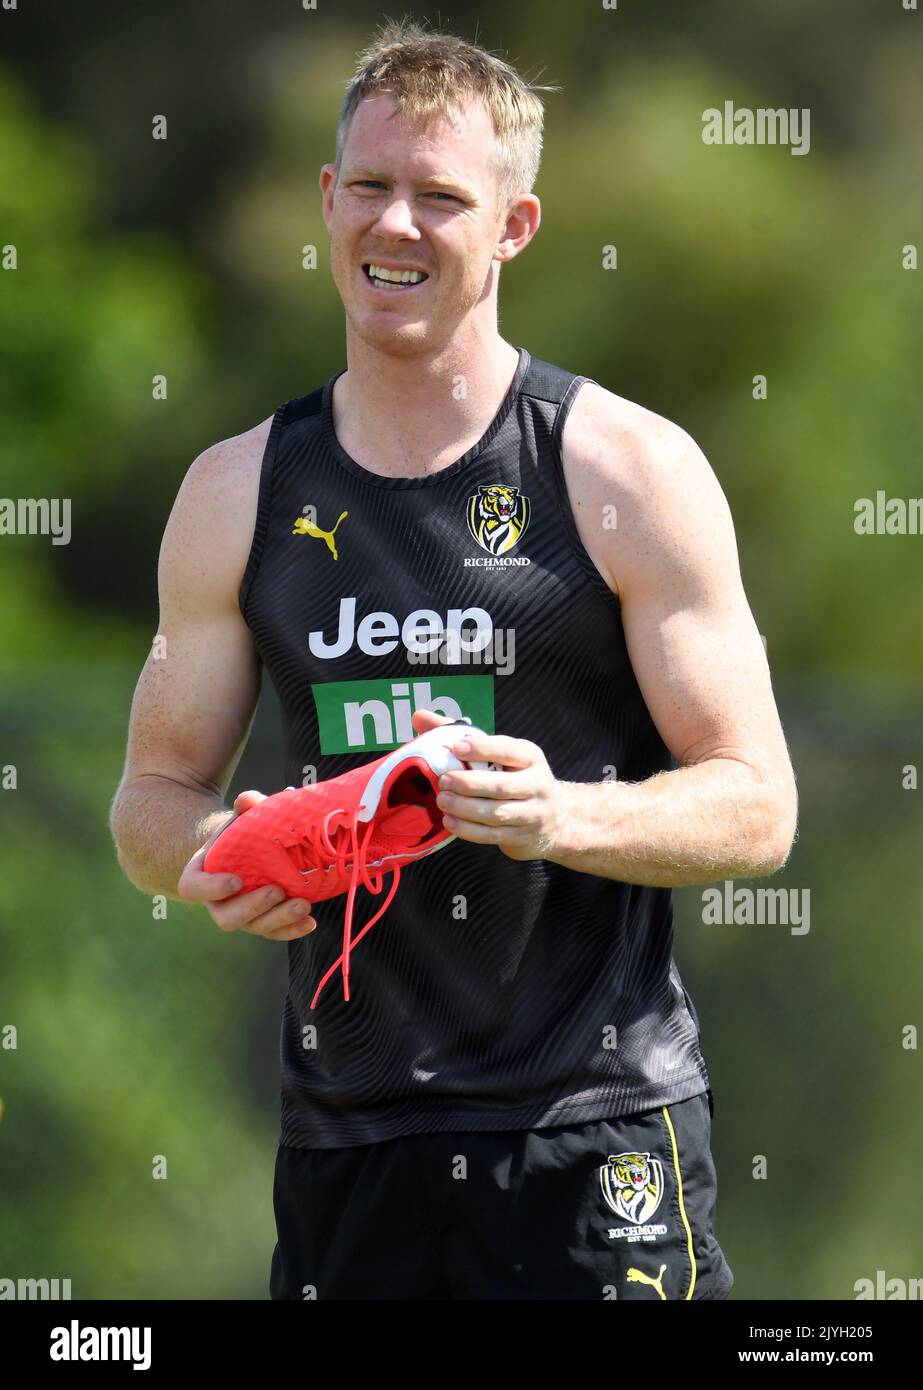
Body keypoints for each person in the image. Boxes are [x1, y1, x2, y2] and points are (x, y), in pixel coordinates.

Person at [110, 18, 797, 1301]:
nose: (396, 227)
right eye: (369, 187)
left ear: (514, 228)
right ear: (327, 201)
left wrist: (557, 815)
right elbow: (148, 805)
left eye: (441, 197)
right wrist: (218, 858)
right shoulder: (235, 491)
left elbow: (756, 804)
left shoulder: (622, 472)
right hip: (346, 1140)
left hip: (592, 1133)